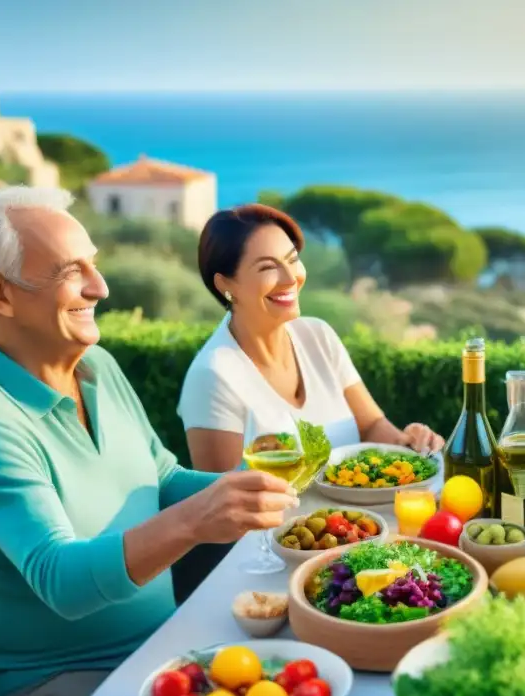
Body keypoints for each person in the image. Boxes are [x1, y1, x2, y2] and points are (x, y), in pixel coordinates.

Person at [0, 187, 297, 696]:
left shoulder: (98, 367)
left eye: (96, 264)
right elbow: (60, 578)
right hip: (60, 683)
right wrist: (196, 520)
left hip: (163, 642)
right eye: (71, 271)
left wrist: (261, 492)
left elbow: (160, 481)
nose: (100, 287)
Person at [173, 203, 444, 599]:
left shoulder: (318, 335)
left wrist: (407, 441)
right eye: (268, 267)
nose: (290, 278)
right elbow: (228, 519)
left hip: (360, 538)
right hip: (278, 568)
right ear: (225, 284)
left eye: (292, 260)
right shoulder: (213, 375)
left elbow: (371, 426)